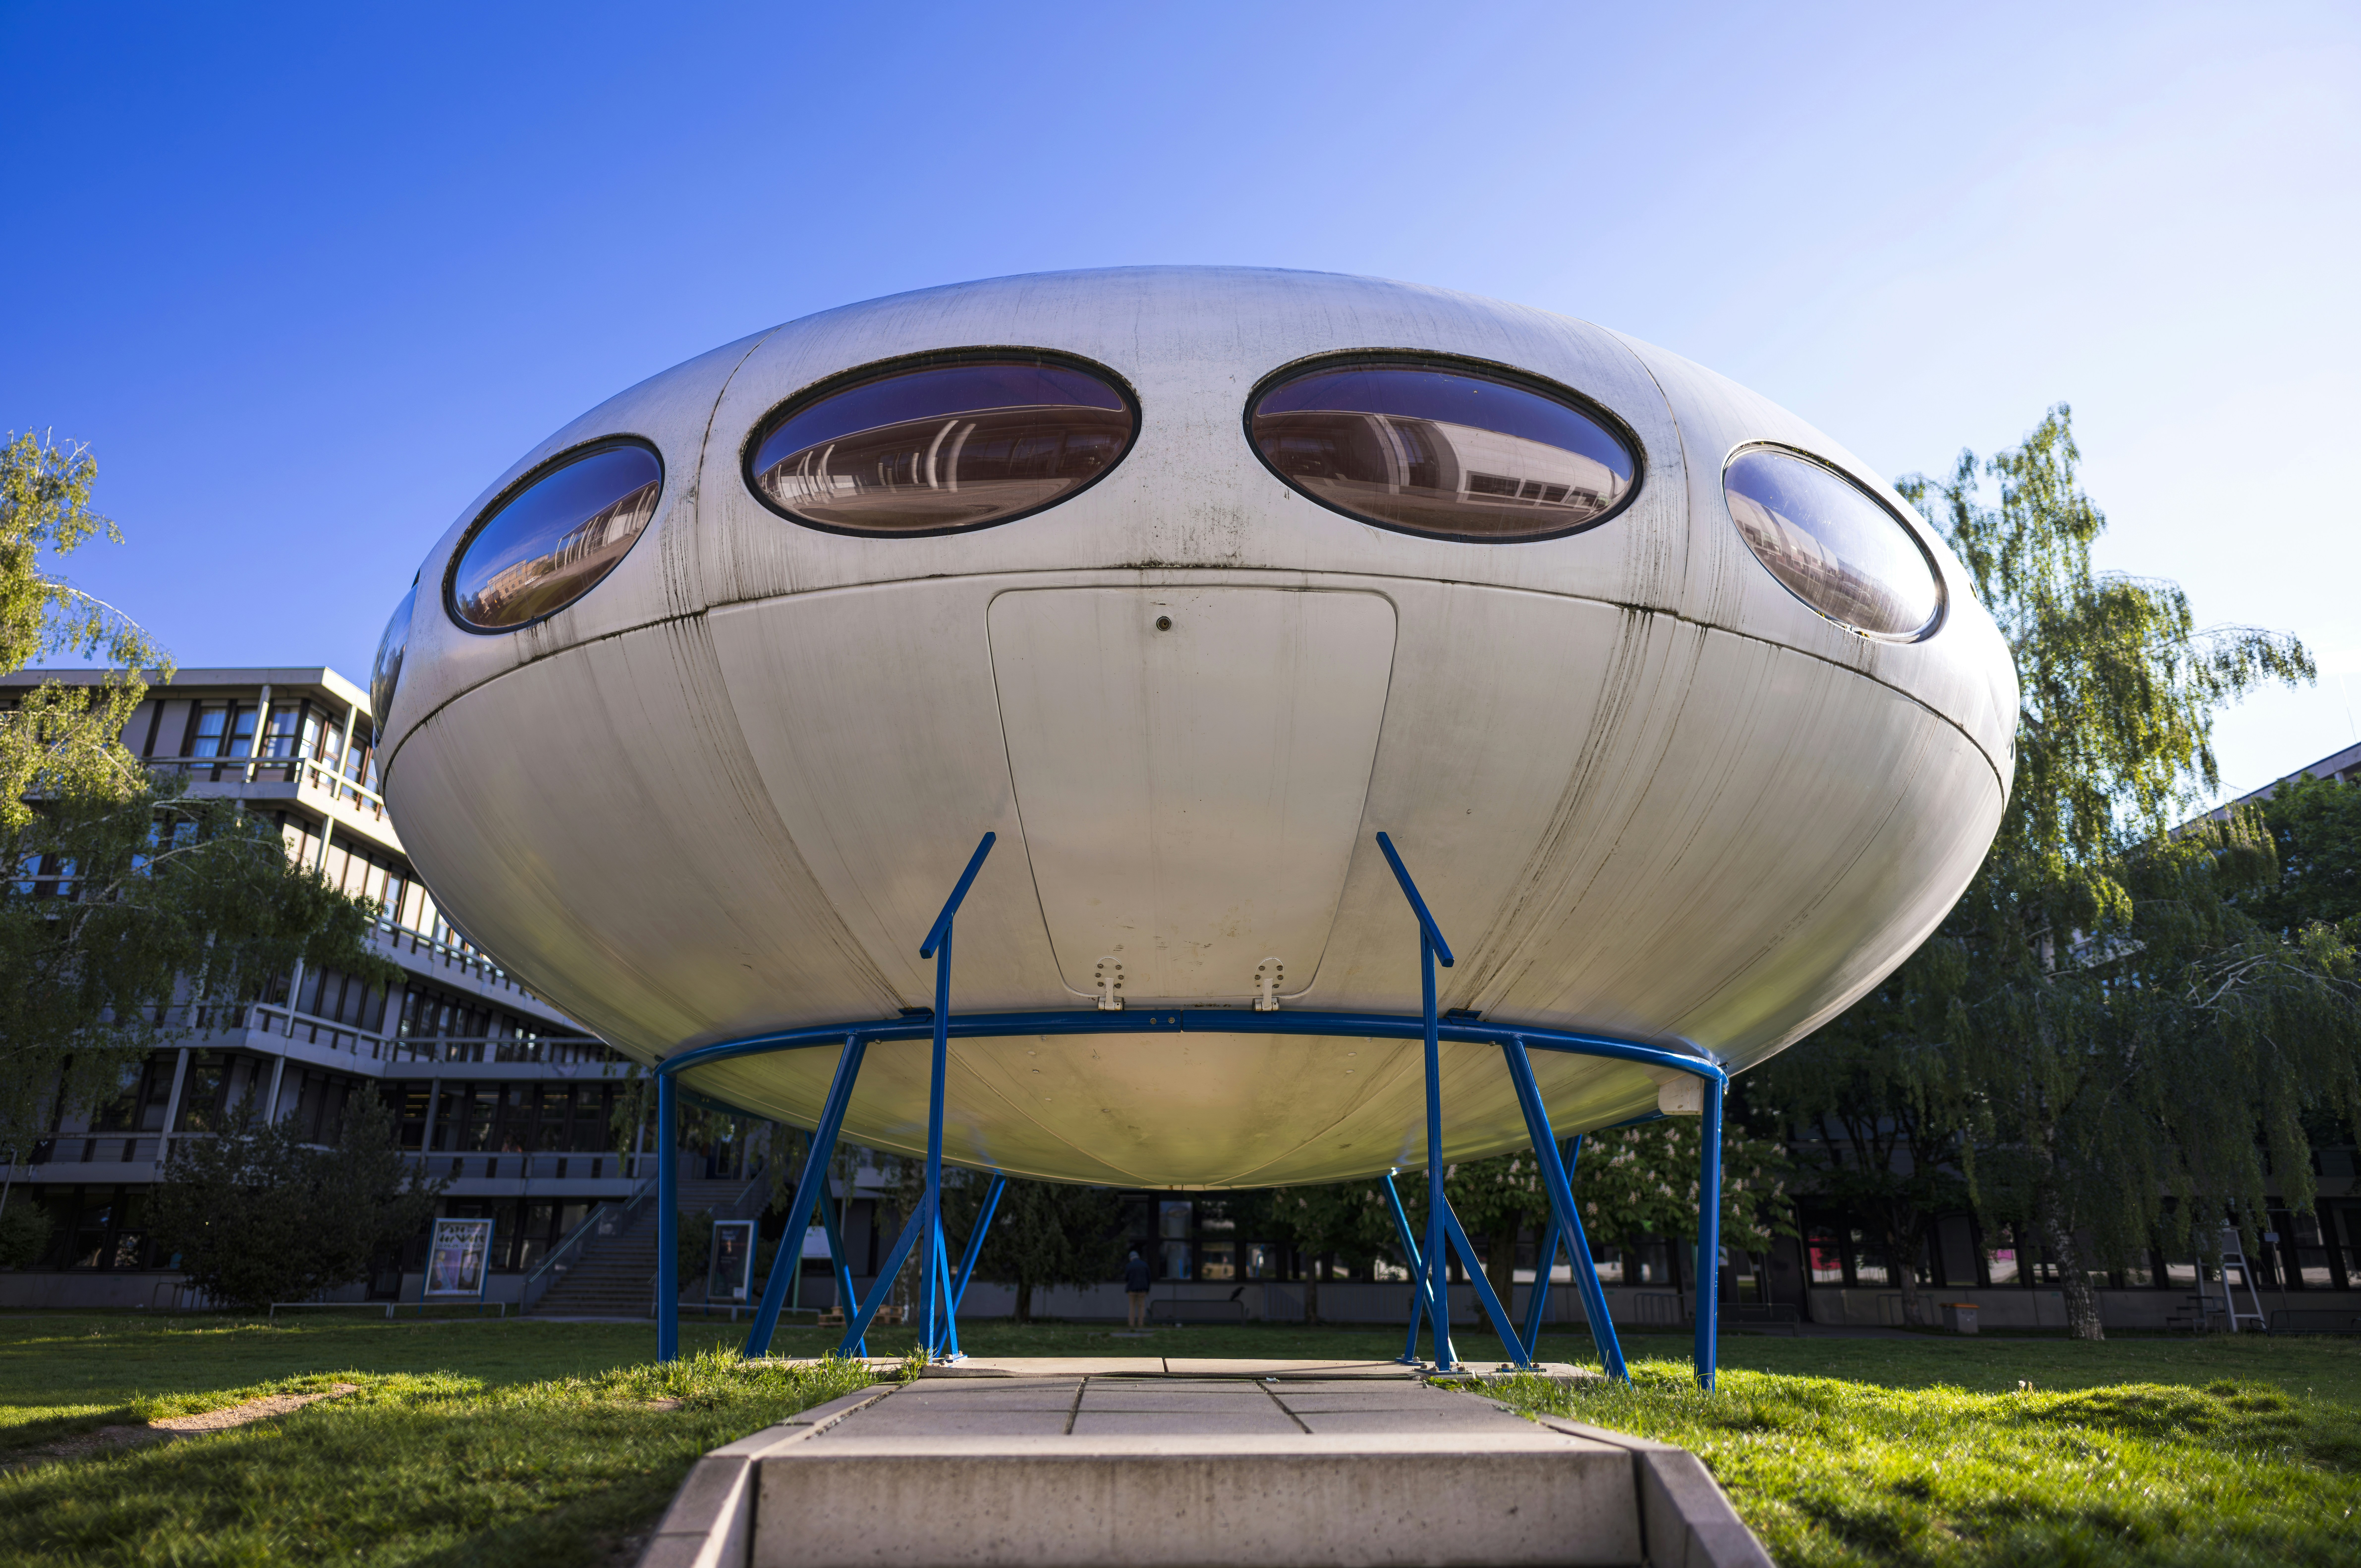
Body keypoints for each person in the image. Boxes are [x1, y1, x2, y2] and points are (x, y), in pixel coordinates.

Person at [1124, 1247, 1152, 1329]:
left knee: (1132, 1307)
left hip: (1132, 1289)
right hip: (1143, 1290)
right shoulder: (1145, 1265)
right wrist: (1148, 1289)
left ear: (1131, 1258)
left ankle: (1131, 1324)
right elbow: (1149, 1278)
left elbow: (1126, 1278)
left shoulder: (1129, 1266)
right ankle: (1141, 1324)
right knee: (1142, 1307)